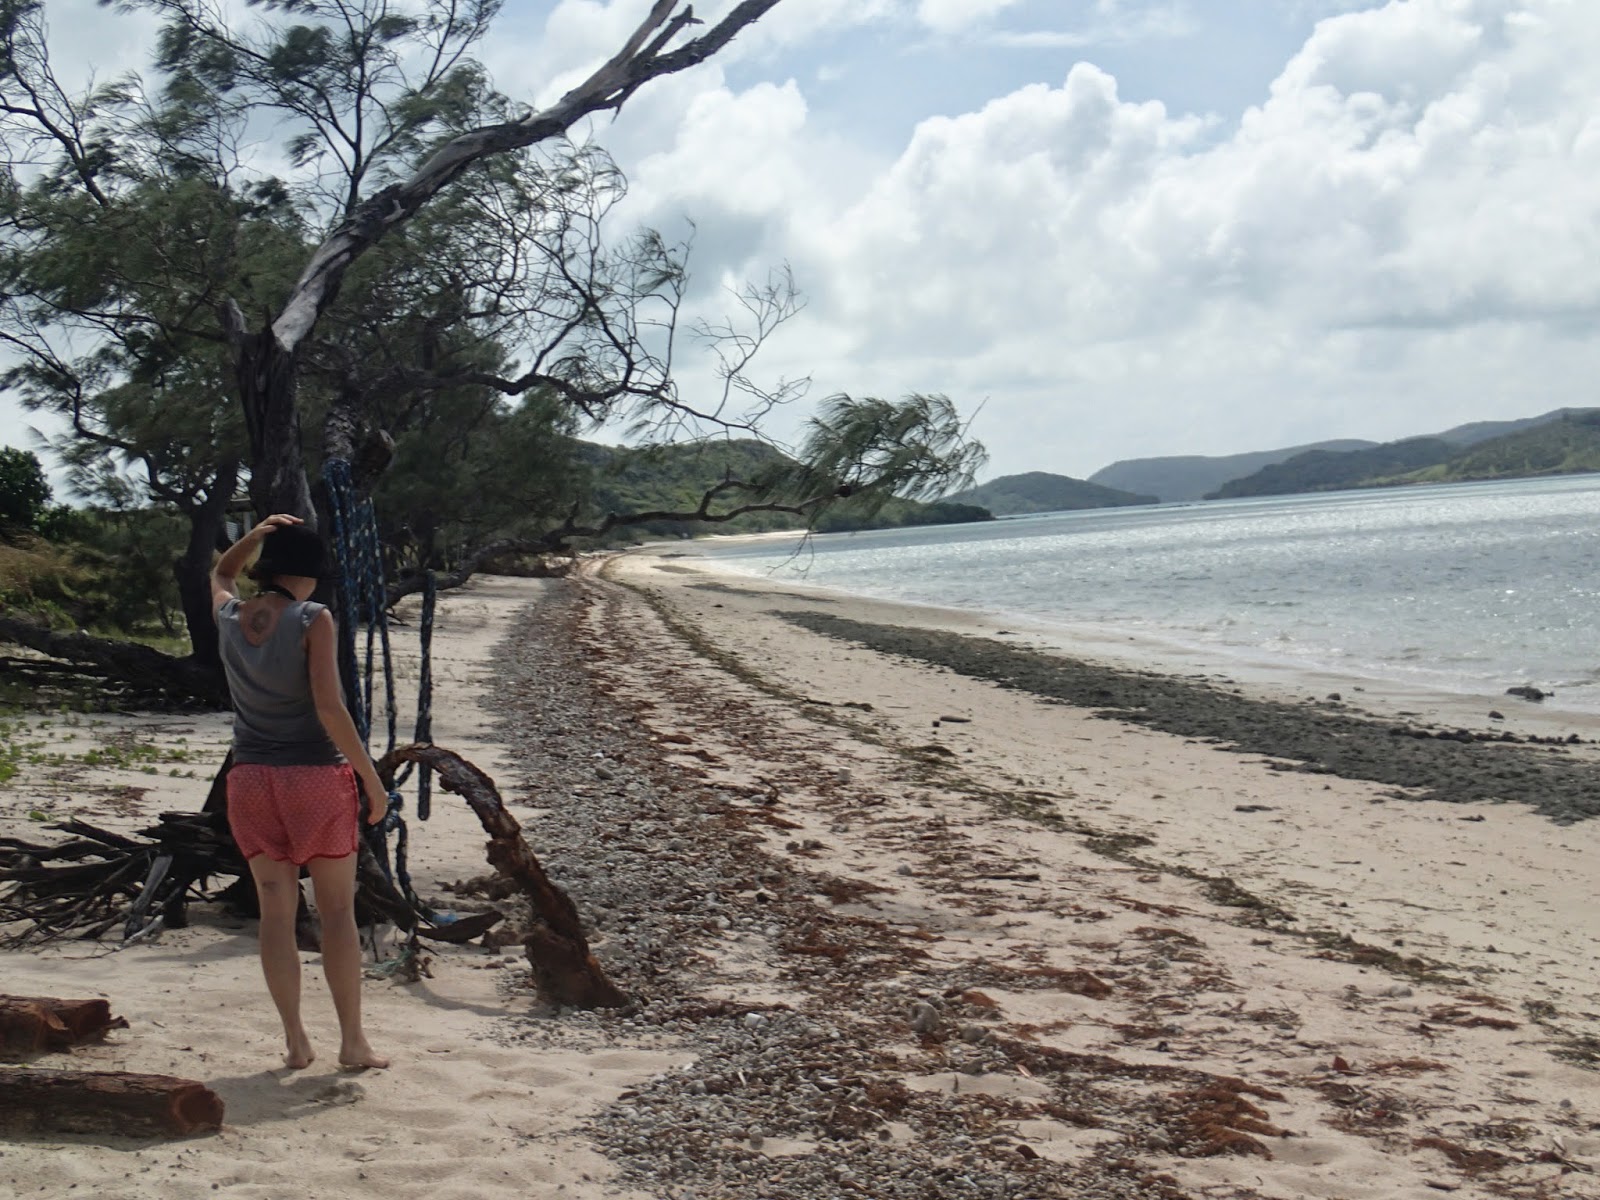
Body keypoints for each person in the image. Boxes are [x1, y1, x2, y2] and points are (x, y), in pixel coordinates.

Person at [211, 513, 390, 1070]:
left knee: (275, 913)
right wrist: (371, 778)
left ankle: (295, 1041)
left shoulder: (231, 615)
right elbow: (330, 708)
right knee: (336, 912)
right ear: (306, 576)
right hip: (314, 777)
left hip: (250, 781)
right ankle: (353, 1044)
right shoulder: (314, 617)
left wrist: (256, 534)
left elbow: (220, 572)